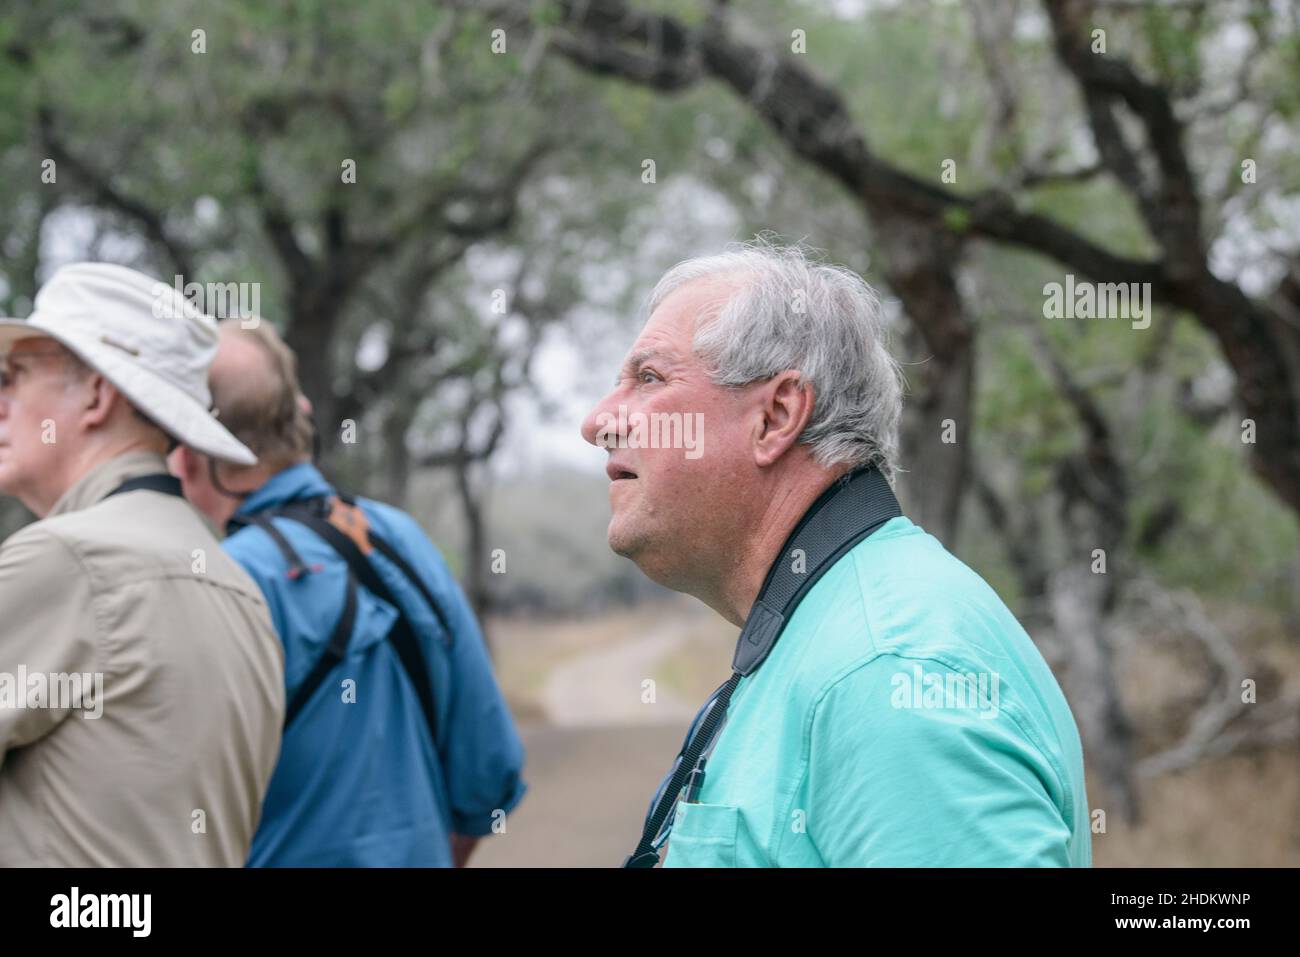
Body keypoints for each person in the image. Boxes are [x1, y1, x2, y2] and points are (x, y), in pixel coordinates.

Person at [580, 239, 1091, 867]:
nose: (600, 419)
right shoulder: (829, 630)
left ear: (776, 416)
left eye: (649, 378)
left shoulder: (886, 669)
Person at [170, 318, 526, 867]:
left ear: (189, 450)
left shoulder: (223, 579)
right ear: (301, 416)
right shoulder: (398, 535)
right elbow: (487, 769)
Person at [0, 262, 284, 866]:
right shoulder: (240, 589)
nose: (1, 402)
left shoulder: (65, 561)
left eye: (15, 375)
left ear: (98, 396)